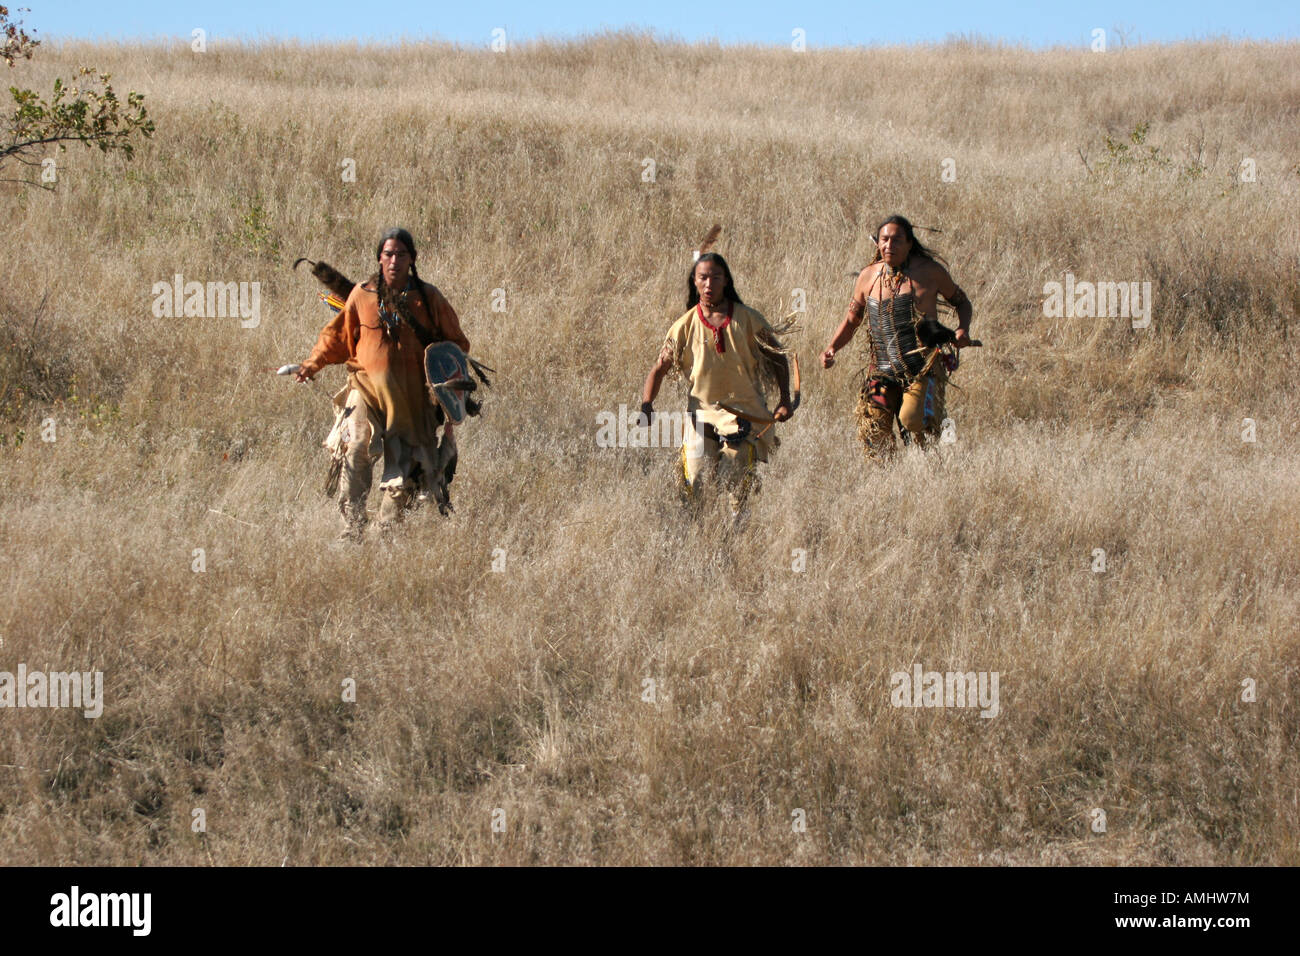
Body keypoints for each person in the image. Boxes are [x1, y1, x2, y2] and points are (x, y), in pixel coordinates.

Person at [296, 228, 470, 539]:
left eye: (401, 254)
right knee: (355, 448)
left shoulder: (429, 299)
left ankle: (384, 534)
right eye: (388, 254)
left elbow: (456, 345)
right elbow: (337, 337)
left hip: (412, 401)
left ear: (412, 259)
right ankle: (352, 528)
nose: (394, 260)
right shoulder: (362, 296)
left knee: (403, 474)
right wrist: (312, 363)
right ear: (379, 258)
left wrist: (447, 387)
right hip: (365, 390)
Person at [641, 252, 793, 512]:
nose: (709, 284)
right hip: (701, 416)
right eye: (703, 278)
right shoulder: (684, 325)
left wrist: (785, 399)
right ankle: (701, 538)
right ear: (694, 281)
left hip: (744, 415)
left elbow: (777, 357)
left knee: (733, 482)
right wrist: (647, 404)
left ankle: (736, 534)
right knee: (696, 484)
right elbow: (660, 368)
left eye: (716, 278)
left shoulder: (747, 319)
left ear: (726, 282)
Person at [819, 215, 976, 459]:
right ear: (877, 243)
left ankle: (932, 457)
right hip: (881, 367)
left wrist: (962, 329)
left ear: (909, 243)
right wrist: (832, 348)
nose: (889, 245)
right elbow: (852, 320)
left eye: (897, 240)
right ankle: (888, 477)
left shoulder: (930, 272)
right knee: (873, 429)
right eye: (885, 239)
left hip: (922, 367)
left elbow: (962, 301)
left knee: (912, 419)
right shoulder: (868, 276)